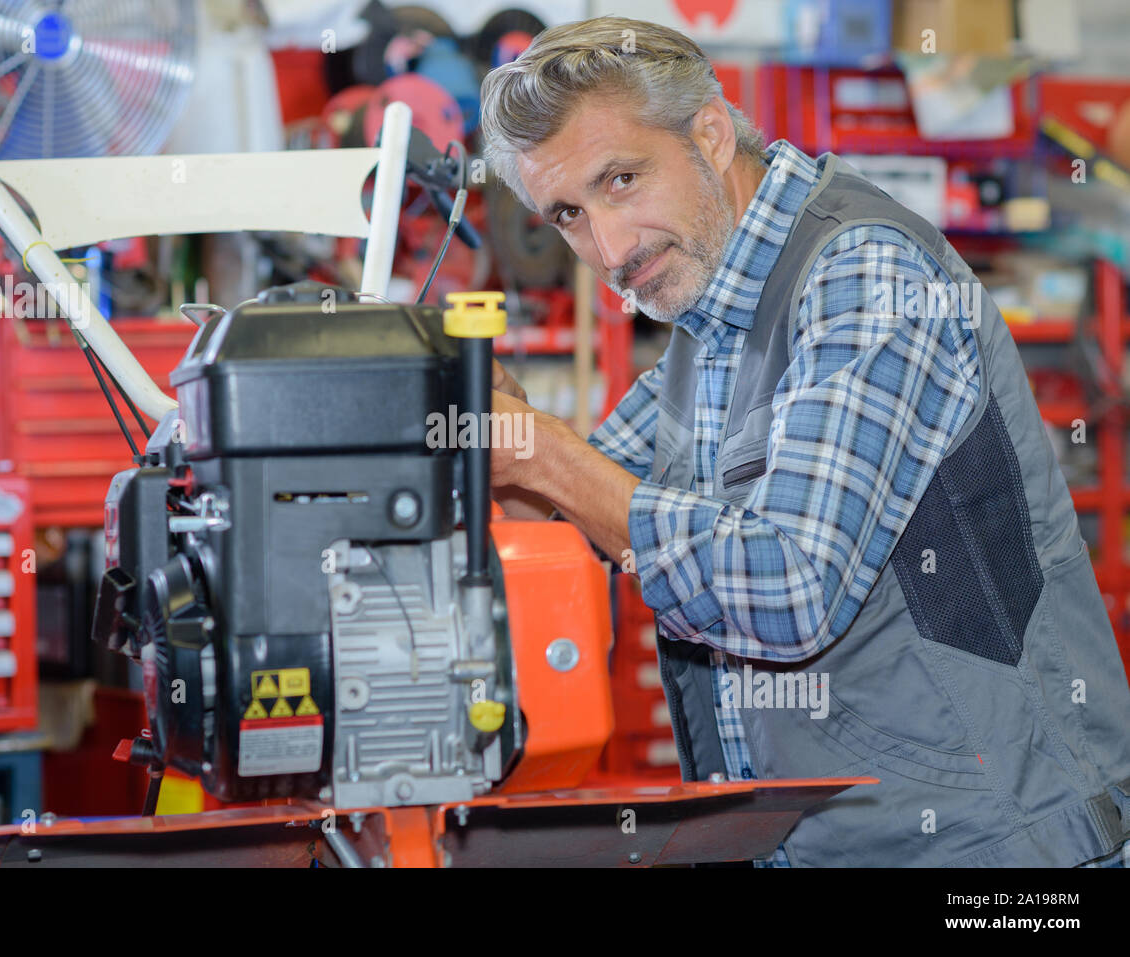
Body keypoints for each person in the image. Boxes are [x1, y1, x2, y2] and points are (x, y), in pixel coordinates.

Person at [478, 15, 1130, 867]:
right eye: (568, 213)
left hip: (997, 856)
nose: (609, 246)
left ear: (710, 134)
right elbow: (581, 516)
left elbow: (790, 586)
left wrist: (545, 455)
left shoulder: (864, 274)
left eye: (623, 180)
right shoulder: (709, 323)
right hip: (829, 845)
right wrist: (485, 427)